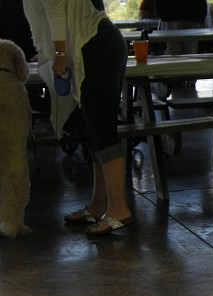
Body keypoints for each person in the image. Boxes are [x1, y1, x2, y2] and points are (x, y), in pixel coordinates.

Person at [23, 0, 135, 236]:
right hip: (94, 44)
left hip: (95, 45)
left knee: (102, 129)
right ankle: (98, 204)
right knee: (92, 129)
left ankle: (119, 209)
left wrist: (60, 55)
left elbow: (55, 11)